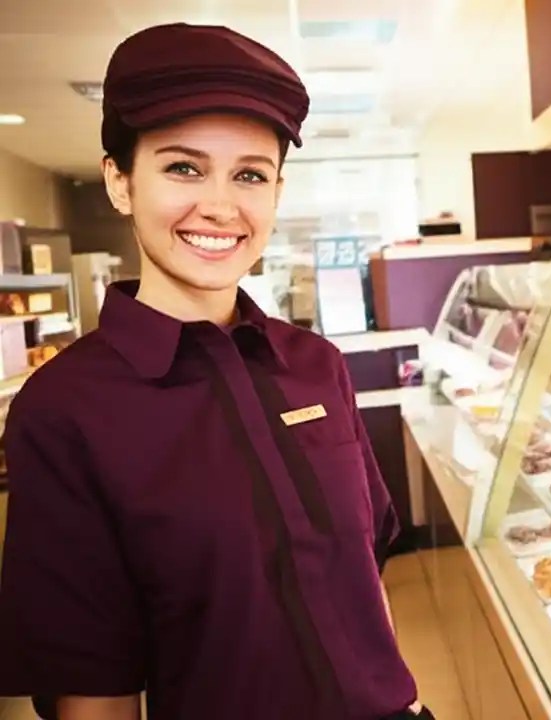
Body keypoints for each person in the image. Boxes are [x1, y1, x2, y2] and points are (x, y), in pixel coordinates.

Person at [0, 24, 430, 720]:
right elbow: (91, 694)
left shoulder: (316, 365)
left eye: (250, 175)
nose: (222, 207)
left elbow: (363, 583)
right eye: (183, 168)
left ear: (277, 192)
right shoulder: (64, 410)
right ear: (119, 180)